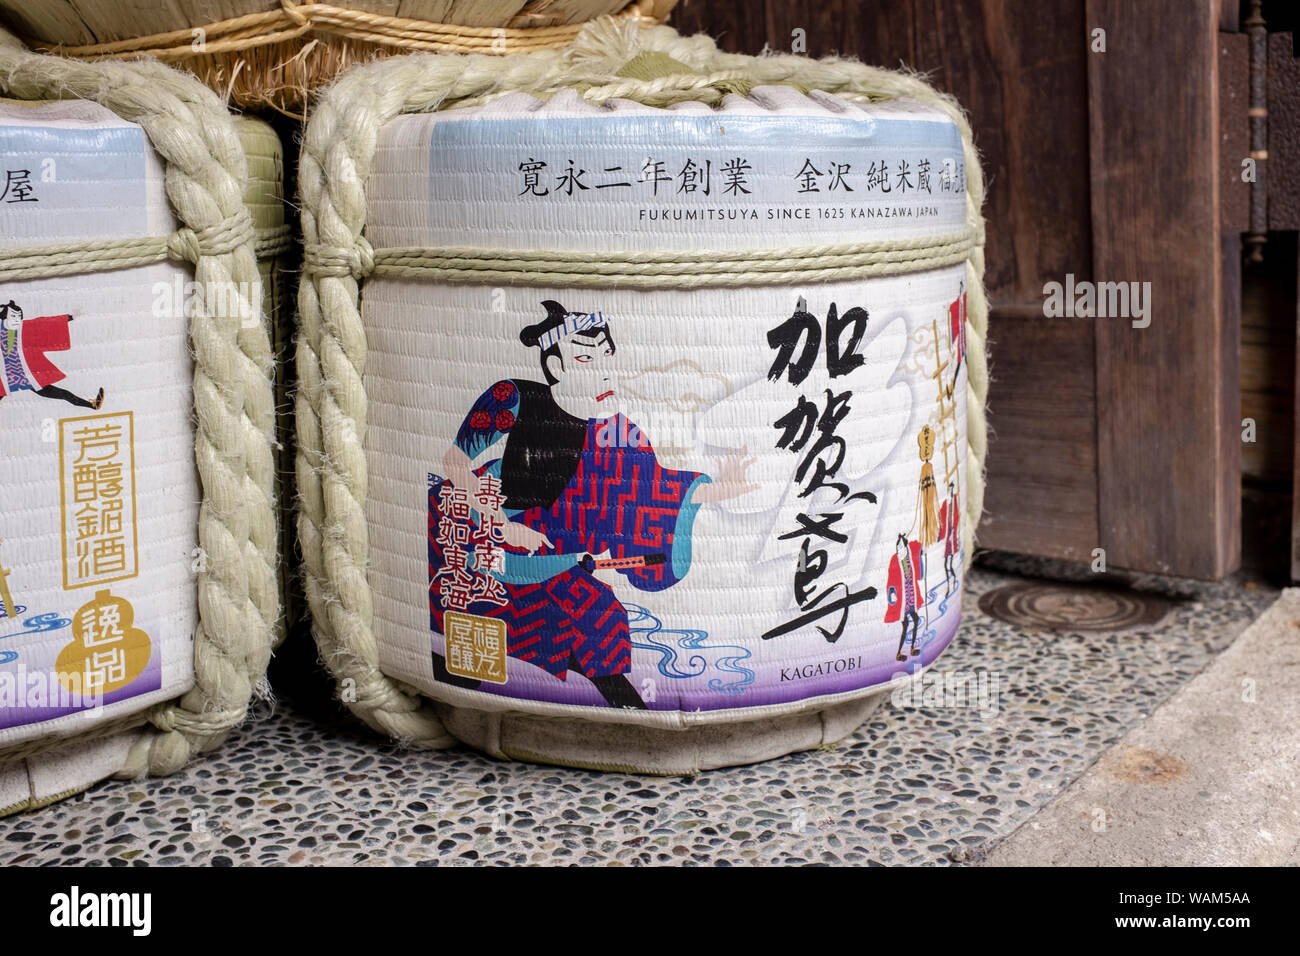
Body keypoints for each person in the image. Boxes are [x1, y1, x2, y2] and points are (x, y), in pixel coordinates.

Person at [429, 300, 754, 709]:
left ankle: (624, 708)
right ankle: (465, 686)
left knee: (603, 620)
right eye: (585, 356)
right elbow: (455, 463)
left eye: (606, 356)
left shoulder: (614, 430)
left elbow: (653, 489)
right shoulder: (513, 397)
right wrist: (502, 524)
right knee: (479, 618)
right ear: (556, 367)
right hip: (488, 532)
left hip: (555, 548)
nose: (601, 370)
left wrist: (715, 491)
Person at [0, 301, 103, 409]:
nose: (16, 320)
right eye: (13, 316)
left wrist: (70, 317)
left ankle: (93, 405)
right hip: (7, 377)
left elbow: (45, 323)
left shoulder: (24, 329)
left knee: (62, 394)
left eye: (18, 317)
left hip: (26, 377)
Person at [885, 534, 924, 661]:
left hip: (911, 596)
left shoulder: (909, 558)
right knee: (905, 624)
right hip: (902, 599)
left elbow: (917, 573)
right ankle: (898, 652)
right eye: (901, 546)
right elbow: (891, 578)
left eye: (904, 546)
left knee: (916, 619)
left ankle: (912, 648)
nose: (903, 548)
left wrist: (921, 553)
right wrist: (892, 594)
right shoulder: (895, 559)